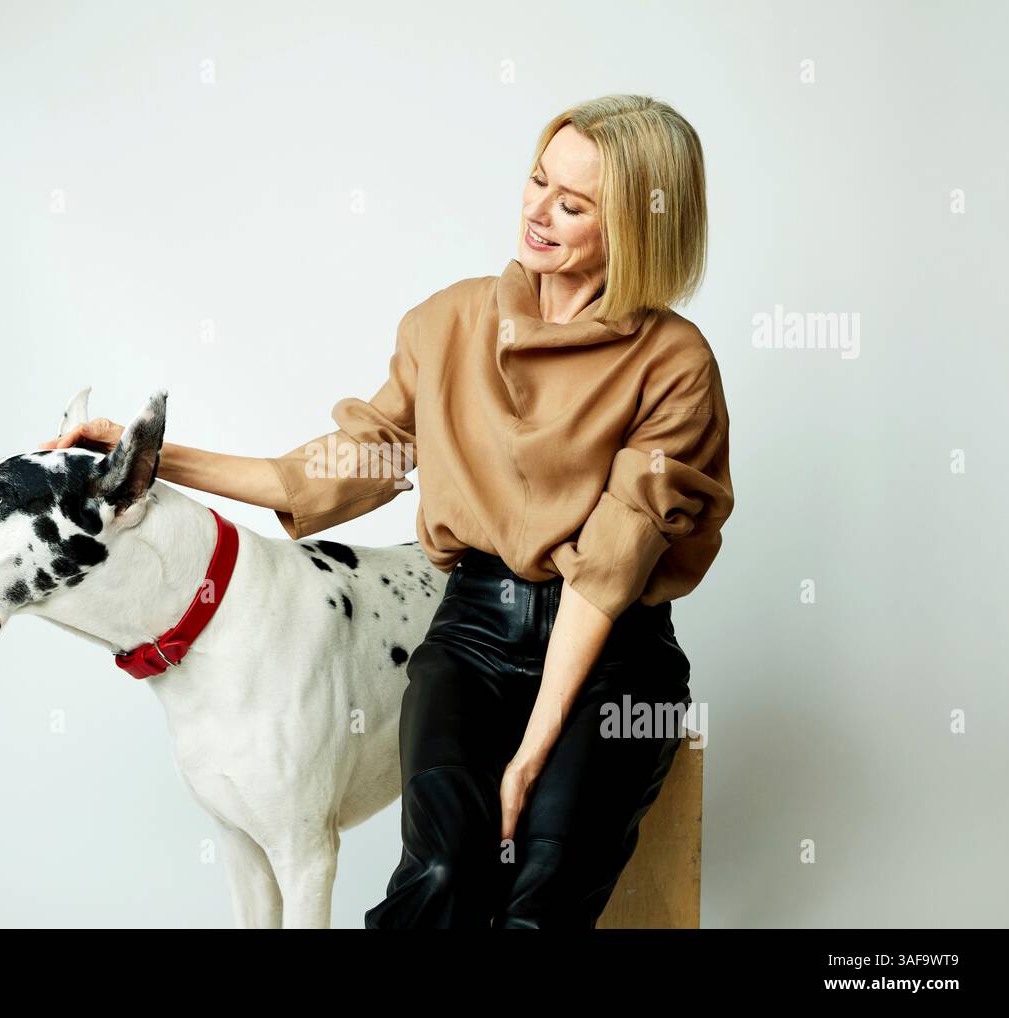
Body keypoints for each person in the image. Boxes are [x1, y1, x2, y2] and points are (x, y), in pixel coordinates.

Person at [44, 94, 735, 929]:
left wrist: (531, 752)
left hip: (611, 653)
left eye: (574, 204)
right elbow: (328, 471)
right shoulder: (449, 324)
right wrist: (149, 457)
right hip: (474, 636)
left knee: (542, 888)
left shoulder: (674, 363)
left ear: (638, 227)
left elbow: (609, 567)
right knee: (444, 871)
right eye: (537, 180)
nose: (537, 212)